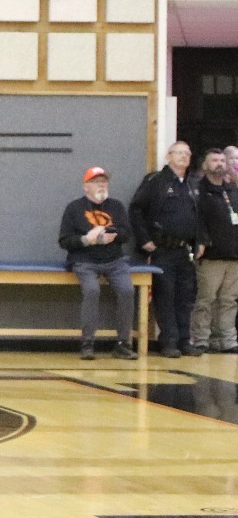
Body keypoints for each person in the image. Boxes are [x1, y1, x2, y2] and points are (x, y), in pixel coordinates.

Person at [130, 141, 201, 357]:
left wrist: (200, 242)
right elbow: (136, 210)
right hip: (162, 249)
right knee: (165, 296)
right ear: (168, 156)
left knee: (185, 297)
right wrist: (144, 240)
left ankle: (184, 341)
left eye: (187, 154)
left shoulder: (193, 183)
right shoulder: (156, 181)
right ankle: (168, 342)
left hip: (184, 251)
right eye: (179, 153)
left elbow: (200, 217)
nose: (183, 157)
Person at [60, 167, 137, 360]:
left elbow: (126, 234)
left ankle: (123, 343)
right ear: (86, 187)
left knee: (127, 290)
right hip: (85, 261)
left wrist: (113, 236)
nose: (101, 185)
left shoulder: (116, 207)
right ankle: (87, 343)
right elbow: (64, 241)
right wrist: (88, 239)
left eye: (104, 181)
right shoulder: (74, 208)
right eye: (96, 181)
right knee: (92, 291)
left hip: (114, 260)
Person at [195, 151, 238, 355]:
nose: (220, 164)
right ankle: (202, 339)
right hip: (211, 255)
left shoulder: (232, 190)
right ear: (205, 165)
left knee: (229, 300)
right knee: (206, 299)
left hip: (233, 254)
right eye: (214, 160)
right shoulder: (199, 191)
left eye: (222, 160)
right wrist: (201, 241)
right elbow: (196, 220)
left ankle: (227, 339)